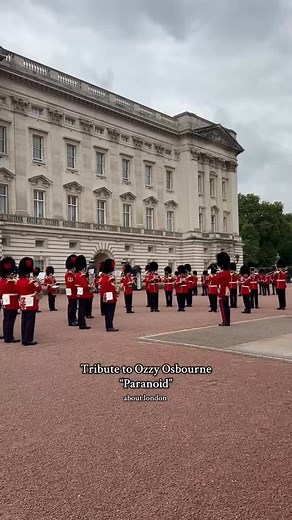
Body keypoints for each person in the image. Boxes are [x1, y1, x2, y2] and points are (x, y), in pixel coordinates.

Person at [16, 257, 42, 345]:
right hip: (30, 302)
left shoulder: (18, 281)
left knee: (24, 320)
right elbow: (38, 289)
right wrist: (37, 282)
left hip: (23, 301)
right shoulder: (31, 281)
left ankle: (24, 338)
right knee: (30, 321)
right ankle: (28, 339)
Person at [0, 257, 20, 343]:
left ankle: (6, 336)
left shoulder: (2, 281)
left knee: (6, 319)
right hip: (12, 302)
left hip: (5, 301)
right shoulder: (10, 281)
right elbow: (17, 290)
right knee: (10, 320)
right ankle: (9, 337)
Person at [99, 259, 119, 331]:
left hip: (105, 297)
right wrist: (116, 290)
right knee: (110, 312)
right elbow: (112, 288)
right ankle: (110, 326)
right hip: (110, 297)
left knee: (108, 312)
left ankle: (108, 325)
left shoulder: (102, 278)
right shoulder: (109, 279)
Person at [212, 252, 231, 326]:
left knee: (223, 306)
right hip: (226, 289)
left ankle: (225, 321)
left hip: (222, 290)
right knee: (226, 305)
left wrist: (214, 275)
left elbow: (214, 280)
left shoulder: (221, 273)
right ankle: (227, 320)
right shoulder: (227, 272)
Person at [75, 255, 92, 330]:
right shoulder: (82, 275)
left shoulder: (77, 274)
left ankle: (81, 323)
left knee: (80, 308)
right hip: (84, 294)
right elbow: (85, 286)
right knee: (82, 309)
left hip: (79, 293)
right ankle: (82, 324)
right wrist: (89, 286)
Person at [65, 254, 78, 326]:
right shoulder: (69, 274)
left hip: (74, 292)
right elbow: (71, 284)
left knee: (74, 306)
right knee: (71, 306)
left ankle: (74, 318)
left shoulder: (72, 273)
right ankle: (71, 320)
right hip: (72, 292)